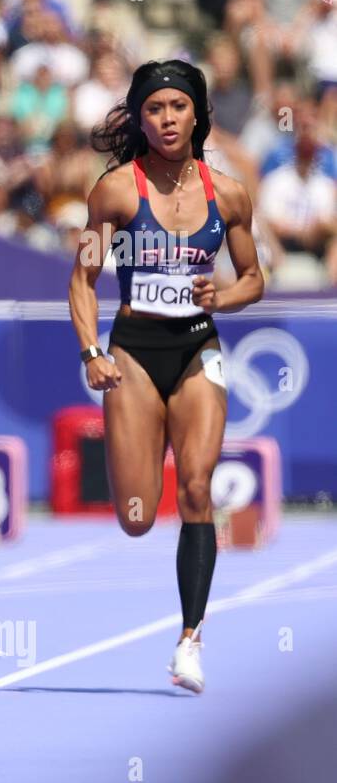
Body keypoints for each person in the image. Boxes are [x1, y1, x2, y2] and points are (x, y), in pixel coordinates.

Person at [68, 61, 264, 693]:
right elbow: (81, 279)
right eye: (155, 109)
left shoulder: (228, 194)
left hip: (197, 350)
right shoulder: (116, 191)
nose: (168, 119)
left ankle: (189, 640)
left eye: (179, 107)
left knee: (199, 490)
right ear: (140, 118)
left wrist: (224, 297)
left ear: (198, 115)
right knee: (136, 514)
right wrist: (90, 352)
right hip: (132, 351)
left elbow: (254, 279)